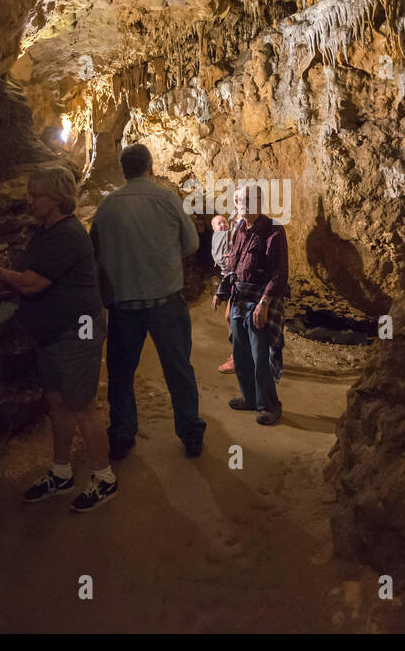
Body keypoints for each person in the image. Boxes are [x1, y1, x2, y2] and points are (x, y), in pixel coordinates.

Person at [0, 167, 115, 511]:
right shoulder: (45, 232)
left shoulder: (67, 234)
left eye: (35, 195)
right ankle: (61, 473)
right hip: (53, 333)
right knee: (57, 403)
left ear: (55, 198)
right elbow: (26, 273)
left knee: (82, 406)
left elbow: (30, 283)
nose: (29, 200)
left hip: (76, 333)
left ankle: (105, 478)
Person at [90, 144, 205, 459]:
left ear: (123, 171)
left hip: (123, 303)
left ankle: (121, 435)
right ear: (150, 168)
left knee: (121, 373)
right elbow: (191, 243)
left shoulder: (107, 207)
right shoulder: (167, 199)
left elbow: (95, 252)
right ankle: (191, 433)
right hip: (166, 299)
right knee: (178, 368)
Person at [213, 182, 288, 426]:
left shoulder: (273, 230)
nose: (239, 204)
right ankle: (250, 397)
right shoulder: (240, 227)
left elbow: (279, 273)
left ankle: (269, 405)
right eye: (237, 200)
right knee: (240, 352)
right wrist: (222, 291)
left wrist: (264, 303)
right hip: (239, 298)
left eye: (244, 200)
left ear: (257, 202)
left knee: (260, 356)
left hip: (257, 301)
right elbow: (233, 263)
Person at [211, 213, 237, 374]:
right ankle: (238, 355)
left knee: (231, 317)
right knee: (231, 317)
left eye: (224, 222)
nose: (222, 225)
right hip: (233, 280)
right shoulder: (220, 237)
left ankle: (238, 357)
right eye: (218, 223)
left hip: (238, 280)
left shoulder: (232, 233)